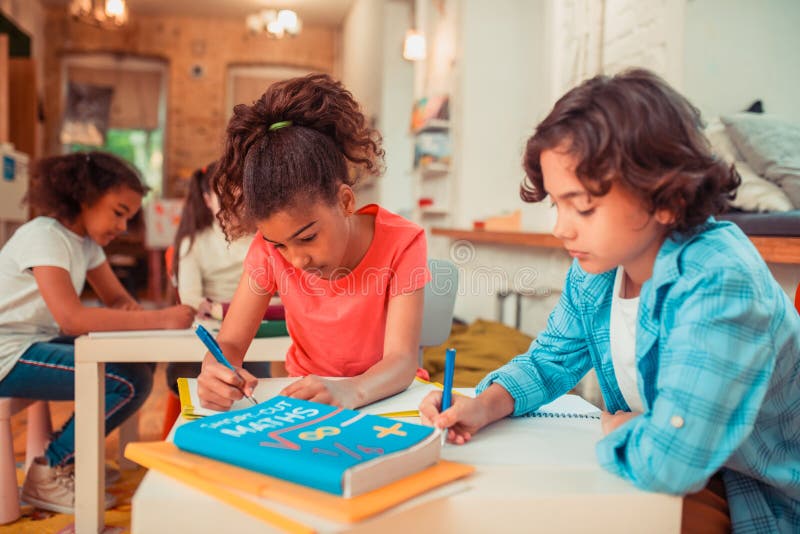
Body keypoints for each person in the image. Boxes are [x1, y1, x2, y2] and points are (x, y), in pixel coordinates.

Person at [419, 69, 800, 533]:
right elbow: (548, 362)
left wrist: (623, 432)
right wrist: (484, 403)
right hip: (672, 475)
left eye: (582, 207)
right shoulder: (599, 269)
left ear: (664, 197)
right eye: (556, 204)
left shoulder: (721, 282)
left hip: (754, 496)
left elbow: (671, 462)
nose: (561, 228)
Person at [196, 73, 430, 411]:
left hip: (388, 397)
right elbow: (230, 341)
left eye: (307, 237)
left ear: (346, 201)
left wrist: (352, 391)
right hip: (308, 401)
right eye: (279, 245)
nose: (296, 260)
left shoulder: (402, 242)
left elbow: (401, 360)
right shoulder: (267, 249)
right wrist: (215, 368)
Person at [0, 151, 194, 514]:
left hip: (32, 343)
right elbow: (72, 319)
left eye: (130, 217)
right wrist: (161, 319)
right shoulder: (44, 235)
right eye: (119, 212)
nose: (123, 226)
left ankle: (71, 458)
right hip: (7, 353)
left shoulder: (84, 244)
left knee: (137, 365)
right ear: (85, 198)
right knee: (127, 380)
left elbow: (119, 300)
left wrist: (142, 324)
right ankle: (51, 468)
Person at [164, 162, 269, 395]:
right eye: (226, 200)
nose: (237, 209)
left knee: (256, 385)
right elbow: (191, 304)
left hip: (257, 330)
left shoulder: (266, 237)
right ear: (208, 199)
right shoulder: (194, 241)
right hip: (209, 334)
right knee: (200, 380)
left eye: (243, 200)